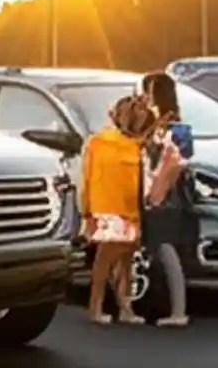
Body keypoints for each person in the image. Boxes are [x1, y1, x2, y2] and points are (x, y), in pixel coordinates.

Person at [80, 94, 152, 325]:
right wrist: (88, 212)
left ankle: (124, 308)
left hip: (130, 211)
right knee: (106, 261)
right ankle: (96, 308)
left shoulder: (136, 145)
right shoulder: (100, 142)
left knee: (125, 262)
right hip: (110, 211)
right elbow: (89, 178)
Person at [140, 71, 194, 327]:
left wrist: (157, 194)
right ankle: (172, 307)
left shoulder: (170, 128)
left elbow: (175, 165)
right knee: (161, 248)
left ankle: (178, 311)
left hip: (165, 194)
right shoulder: (164, 126)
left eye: (148, 91)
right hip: (161, 191)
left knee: (165, 248)